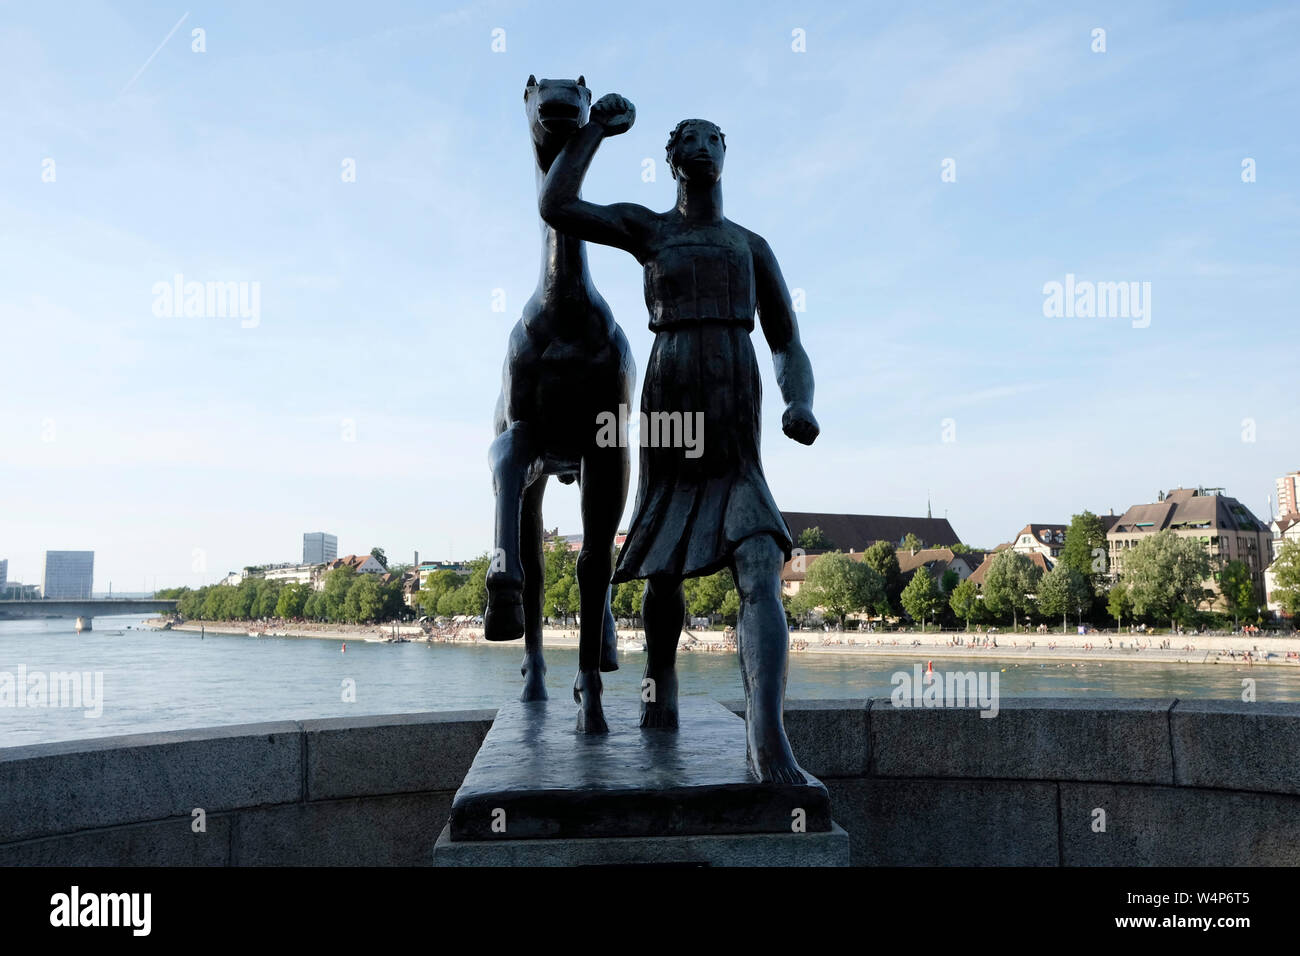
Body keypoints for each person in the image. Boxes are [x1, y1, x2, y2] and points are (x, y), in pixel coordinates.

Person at [539, 93, 818, 783]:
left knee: (759, 565)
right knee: (663, 565)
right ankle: (658, 685)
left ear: (724, 152)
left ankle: (767, 736)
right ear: (669, 160)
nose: (696, 144)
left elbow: (786, 342)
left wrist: (800, 402)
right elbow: (558, 207)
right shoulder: (649, 230)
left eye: (707, 136)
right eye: (682, 138)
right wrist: (595, 131)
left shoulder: (751, 248)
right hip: (670, 414)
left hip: (735, 432)